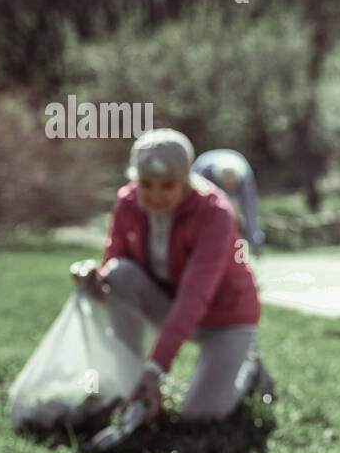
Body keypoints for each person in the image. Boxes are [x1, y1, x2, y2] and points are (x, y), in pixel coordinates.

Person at [72, 128, 275, 427]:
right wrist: (94, 278)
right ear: (134, 179)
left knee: (200, 415)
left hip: (225, 318)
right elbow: (115, 264)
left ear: (186, 182)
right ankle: (126, 380)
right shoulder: (127, 203)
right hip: (169, 304)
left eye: (167, 185)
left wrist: (157, 368)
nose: (155, 196)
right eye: (146, 184)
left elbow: (194, 296)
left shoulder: (215, 214)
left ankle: (249, 368)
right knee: (118, 274)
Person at [192, 148, 265, 258]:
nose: (229, 187)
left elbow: (249, 209)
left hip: (235, 172)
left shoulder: (244, 176)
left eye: (232, 183)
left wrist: (255, 241)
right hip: (205, 177)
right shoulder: (202, 173)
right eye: (226, 183)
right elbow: (195, 207)